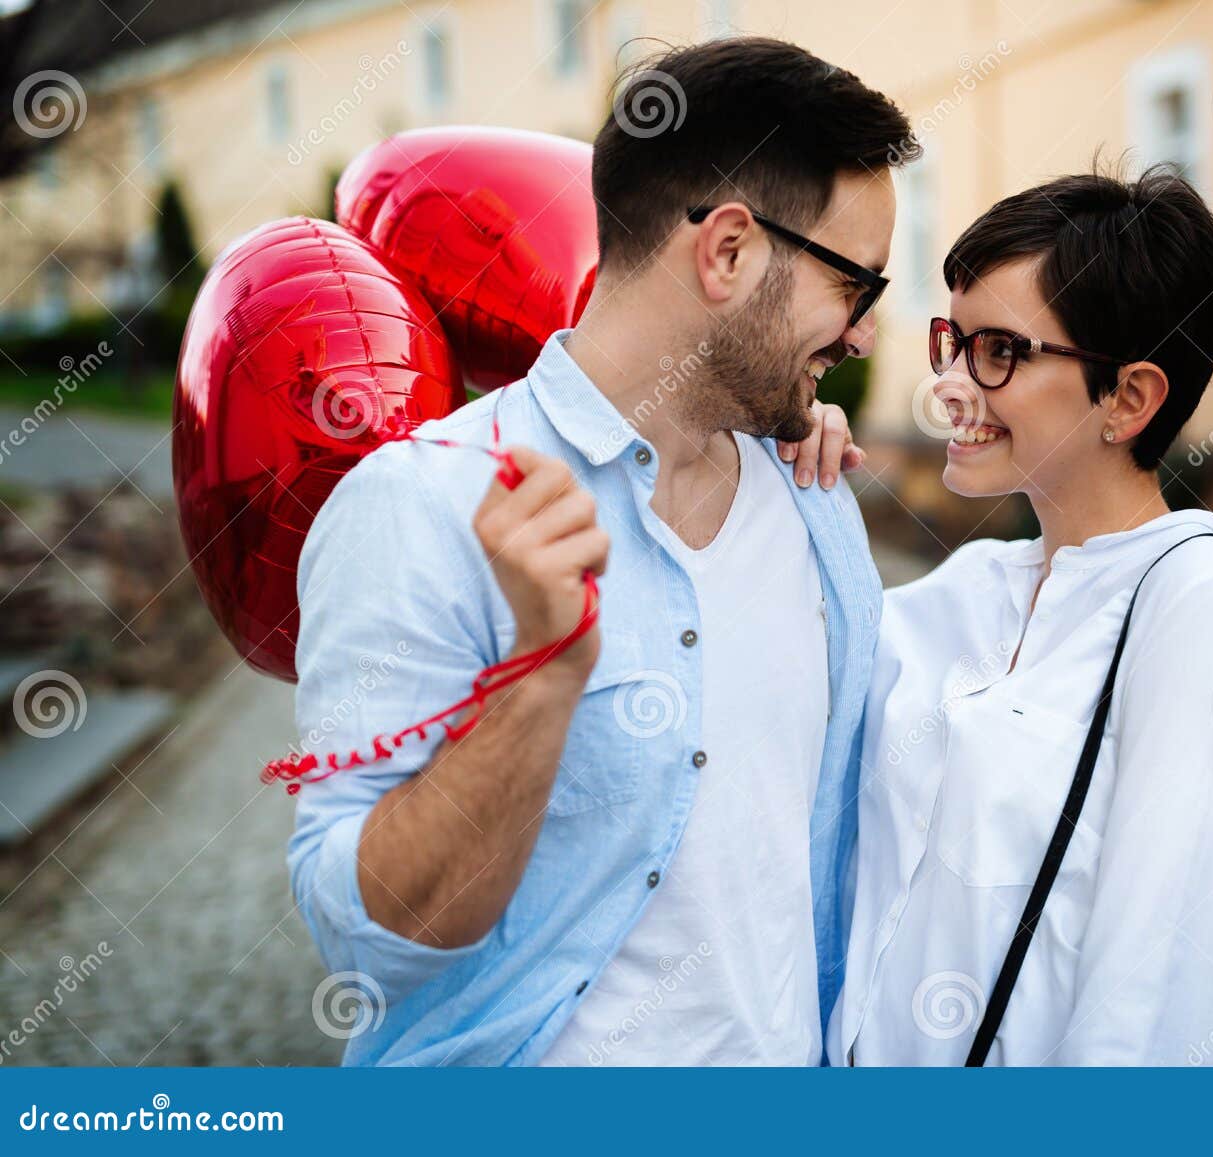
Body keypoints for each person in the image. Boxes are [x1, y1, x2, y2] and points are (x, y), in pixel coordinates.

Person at [288, 36, 918, 1065]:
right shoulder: (424, 503)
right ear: (726, 252)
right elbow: (366, 943)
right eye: (858, 284)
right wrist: (538, 683)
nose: (860, 334)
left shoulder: (817, 502)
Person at [828, 167, 1213, 1066]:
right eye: (951, 341)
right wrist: (777, 476)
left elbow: (1159, 981)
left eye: (998, 350)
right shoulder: (966, 589)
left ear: (1129, 398)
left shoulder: (1198, 602)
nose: (952, 385)